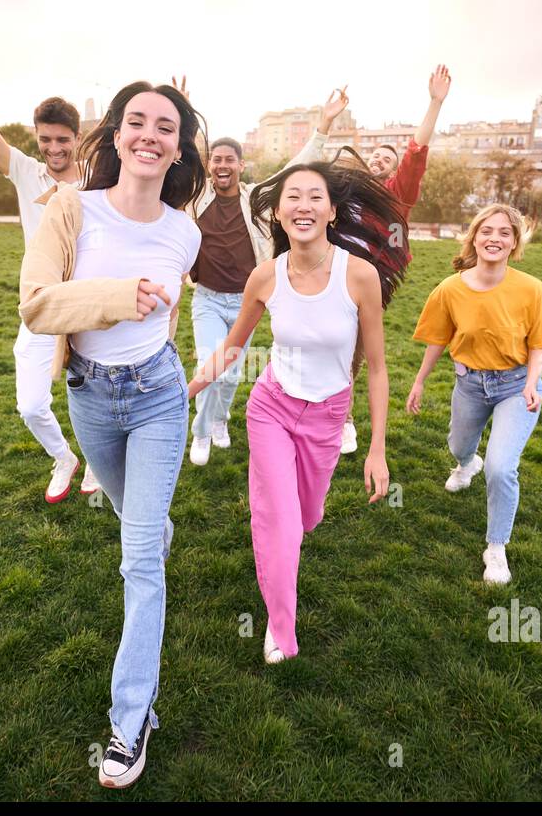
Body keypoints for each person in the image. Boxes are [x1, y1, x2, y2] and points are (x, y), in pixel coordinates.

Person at [19, 79, 205, 789]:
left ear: (178, 144)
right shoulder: (71, 209)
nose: (150, 134)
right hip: (93, 401)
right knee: (140, 525)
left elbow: (168, 315)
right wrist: (116, 297)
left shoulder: (183, 230)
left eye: (166, 125)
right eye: (137, 121)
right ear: (116, 133)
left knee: (138, 563)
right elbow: (37, 307)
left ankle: (131, 722)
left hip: (157, 397)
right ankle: (153, 527)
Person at [188, 161, 407, 663]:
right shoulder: (265, 277)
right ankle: (281, 629)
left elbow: (376, 368)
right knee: (278, 521)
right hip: (272, 408)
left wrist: (376, 449)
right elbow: (231, 347)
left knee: (307, 516)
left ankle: (296, 527)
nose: (303, 206)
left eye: (315, 197)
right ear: (279, 213)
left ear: (332, 211)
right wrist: (186, 391)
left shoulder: (360, 276)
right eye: (293, 197)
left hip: (329, 416)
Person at [0, 0, 98, 503]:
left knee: (92, 400)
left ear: (77, 138)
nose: (54, 149)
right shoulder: (25, 172)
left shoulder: (98, 180)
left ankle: (94, 459)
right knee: (30, 405)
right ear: (37, 137)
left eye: (63, 140)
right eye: (46, 139)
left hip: (90, 302)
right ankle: (64, 458)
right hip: (41, 302)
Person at [184, 88, 347, 466]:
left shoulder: (256, 199)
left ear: (241, 166)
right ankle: (202, 431)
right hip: (207, 299)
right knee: (210, 364)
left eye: (230, 160)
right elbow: (183, 156)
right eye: (216, 160)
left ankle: (221, 420)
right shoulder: (195, 199)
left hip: (247, 302)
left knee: (229, 376)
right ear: (210, 166)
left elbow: (296, 167)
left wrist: (323, 124)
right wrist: (184, 112)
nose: (222, 165)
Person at [406, 203, 542, 585]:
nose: (494, 238)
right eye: (486, 231)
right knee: (460, 445)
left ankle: (496, 548)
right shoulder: (449, 289)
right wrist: (420, 380)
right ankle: (465, 464)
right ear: (474, 237)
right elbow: (438, 340)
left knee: (501, 467)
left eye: (504, 233)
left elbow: (540, 343)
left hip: (515, 385)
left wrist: (531, 382)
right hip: (470, 384)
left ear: (514, 243)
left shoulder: (531, 289)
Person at [312, 66, 452, 456]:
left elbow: (416, 154)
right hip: (325, 281)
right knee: (313, 348)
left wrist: (435, 103)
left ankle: (345, 420)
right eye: (375, 154)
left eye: (387, 156)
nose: (379, 159)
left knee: (351, 354)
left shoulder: (396, 195)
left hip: (364, 291)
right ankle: (307, 412)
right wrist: (326, 121)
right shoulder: (346, 192)